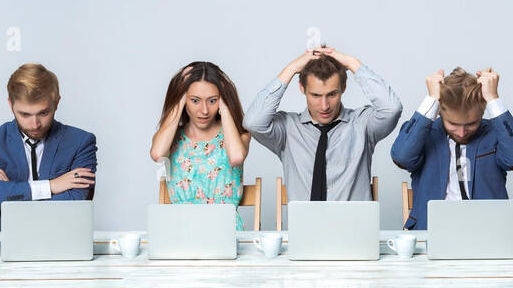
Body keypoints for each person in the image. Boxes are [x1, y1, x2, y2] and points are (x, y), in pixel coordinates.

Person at [243, 46, 402, 202]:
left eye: (332, 94)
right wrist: (290, 69)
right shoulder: (287, 129)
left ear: (343, 88)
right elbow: (253, 122)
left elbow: (392, 109)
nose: (324, 105)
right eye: (316, 95)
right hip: (305, 227)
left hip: (353, 226)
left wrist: (353, 64)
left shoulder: (362, 124)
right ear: (302, 88)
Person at [391, 67, 513, 230]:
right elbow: (402, 157)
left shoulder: (494, 133)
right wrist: (431, 99)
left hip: (487, 230)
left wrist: (493, 99)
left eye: (471, 124)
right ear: (440, 112)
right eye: (453, 124)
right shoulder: (424, 134)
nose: (462, 133)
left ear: (482, 111)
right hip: (432, 230)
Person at [0, 63, 97, 232]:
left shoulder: (81, 142)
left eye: (44, 113)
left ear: (57, 102)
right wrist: (50, 186)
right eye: (24, 114)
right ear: (10, 104)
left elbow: (72, 205)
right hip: (0, 242)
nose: (35, 124)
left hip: (59, 238)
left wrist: (10, 191)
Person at [149, 61, 251, 229]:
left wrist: (225, 107)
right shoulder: (171, 137)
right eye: (195, 100)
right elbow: (157, 154)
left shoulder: (239, 134)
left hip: (224, 229)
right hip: (182, 230)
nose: (204, 110)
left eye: (212, 101)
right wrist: (179, 99)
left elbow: (236, 157)